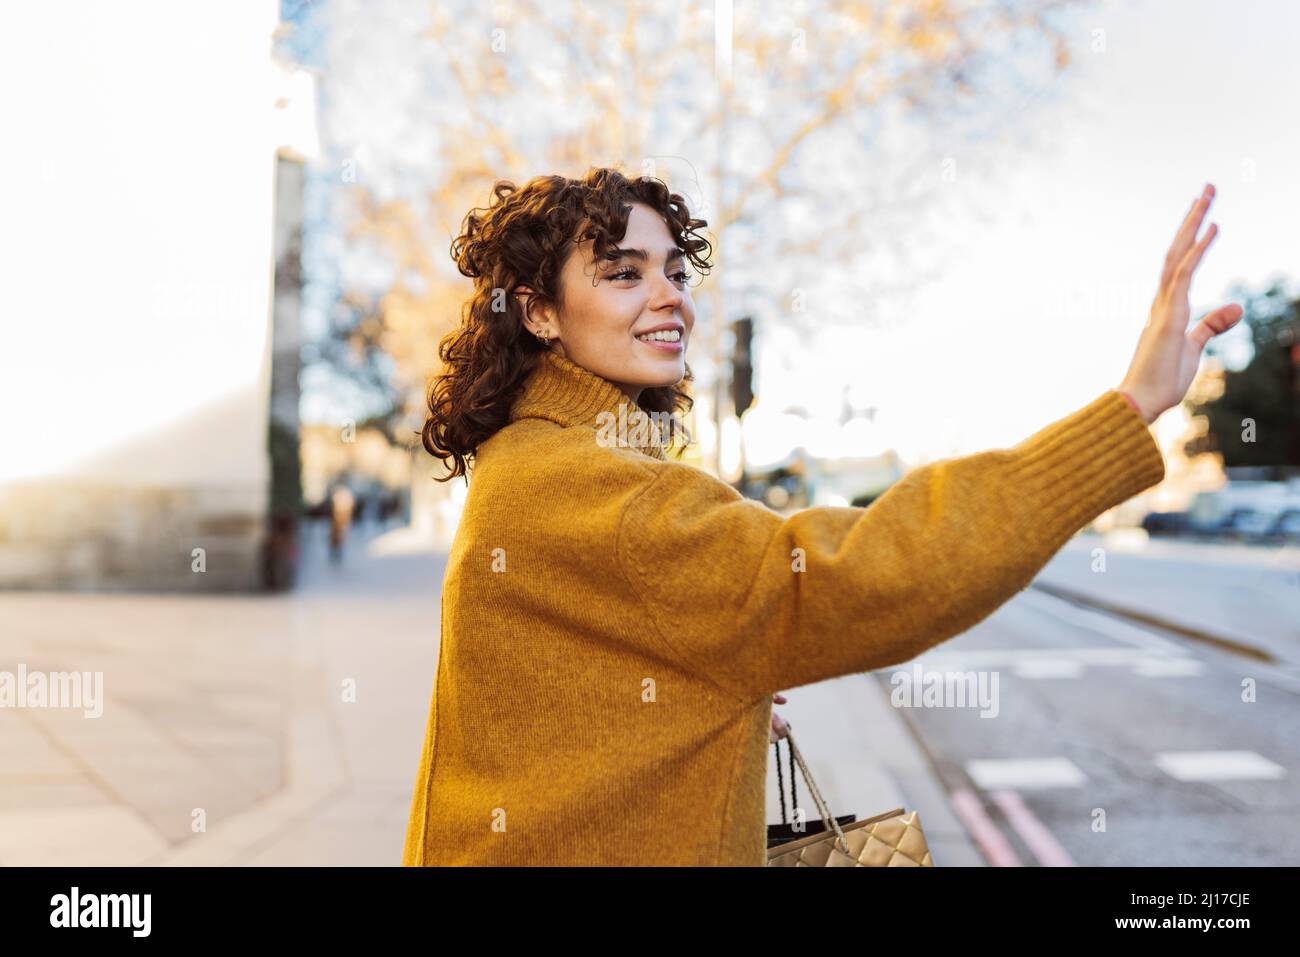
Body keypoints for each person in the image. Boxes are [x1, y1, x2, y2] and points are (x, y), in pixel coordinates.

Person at [402, 169, 1242, 866]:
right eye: (624, 273)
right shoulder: (605, 491)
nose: (671, 300)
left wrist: (685, 695)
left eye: (676, 273)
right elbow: (869, 571)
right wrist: (1130, 410)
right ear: (539, 312)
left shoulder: (526, 459)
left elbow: (558, 694)